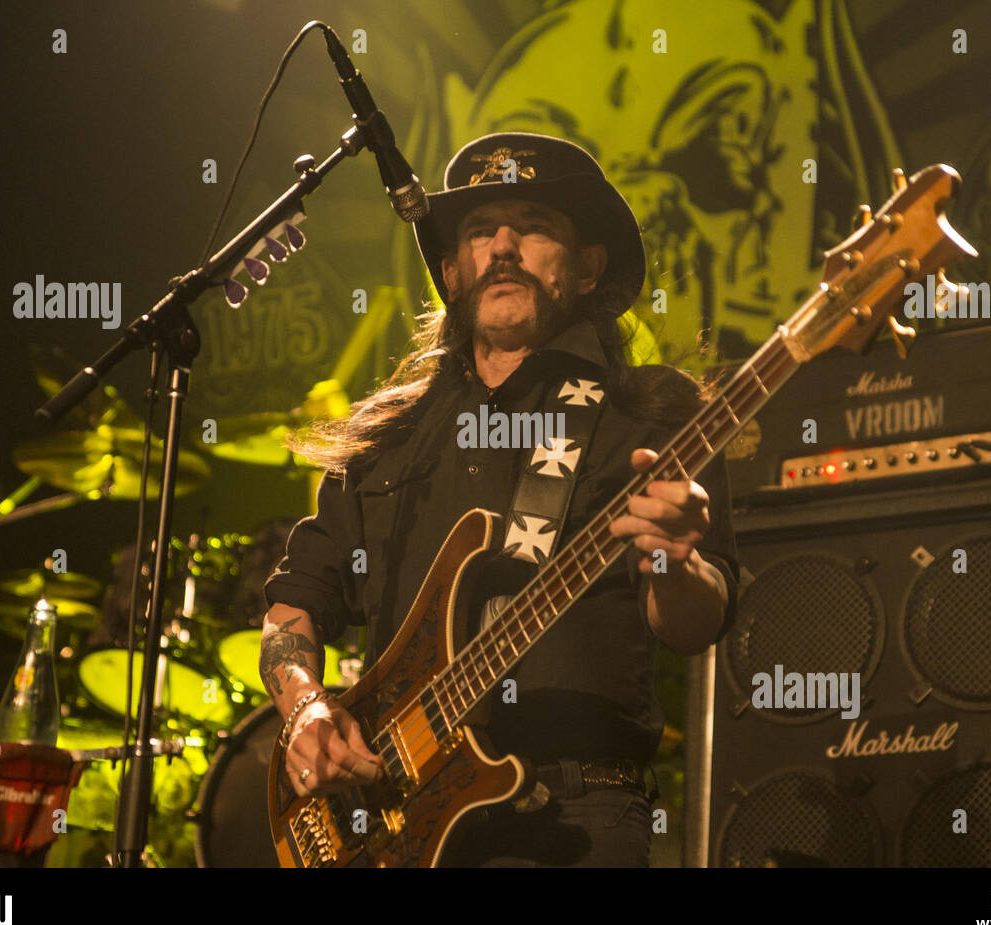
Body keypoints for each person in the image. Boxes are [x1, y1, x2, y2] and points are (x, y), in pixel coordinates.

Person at [261, 132, 739, 866]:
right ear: (452, 271)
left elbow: (697, 625)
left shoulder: (650, 418)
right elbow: (295, 601)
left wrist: (675, 564)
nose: (504, 245)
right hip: (392, 818)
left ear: (587, 268)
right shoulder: (385, 438)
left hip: (576, 817)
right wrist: (303, 706)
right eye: (480, 231)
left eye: (534, 225)